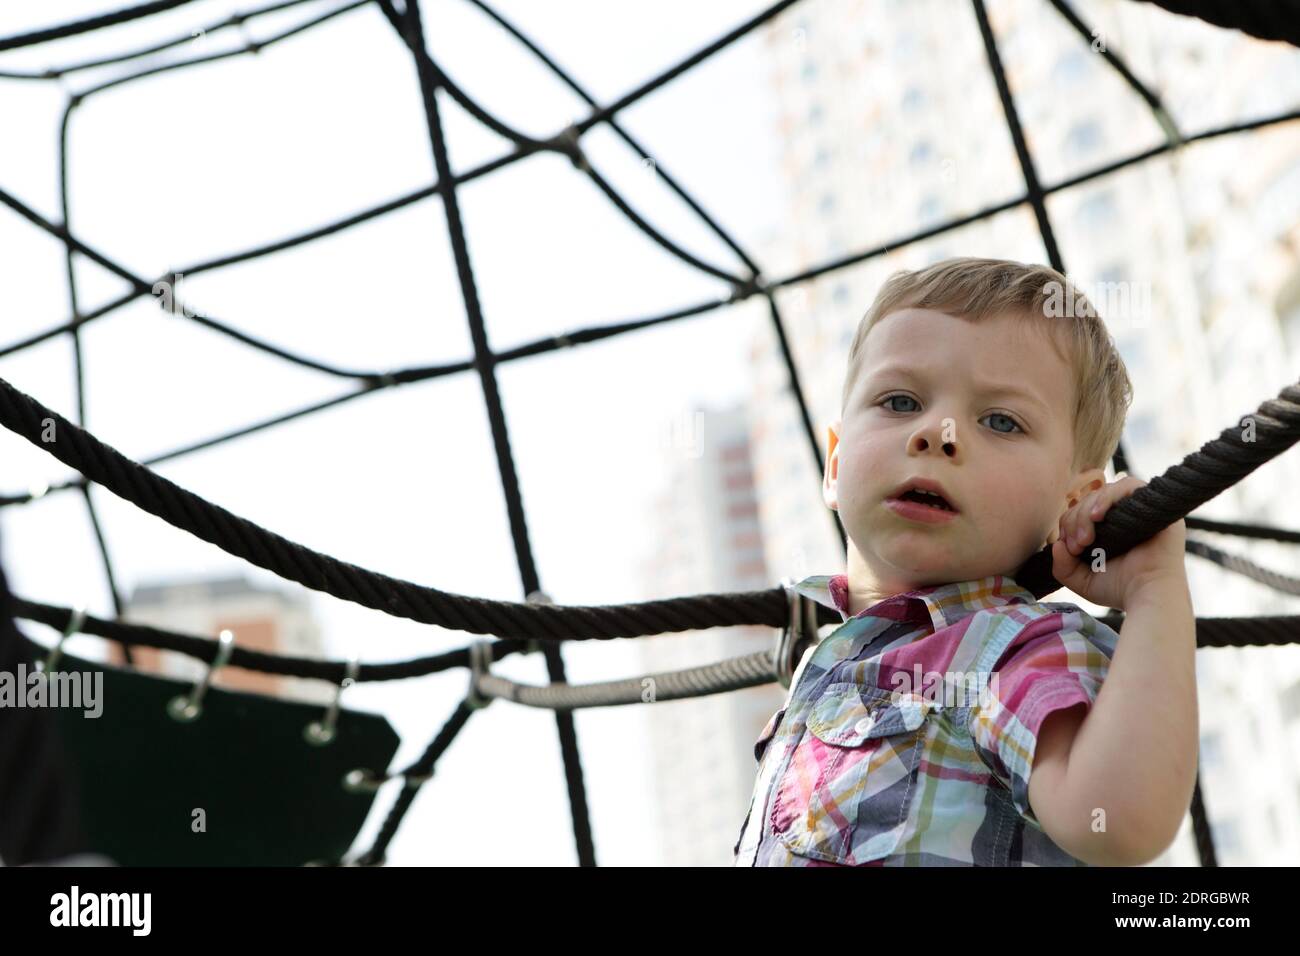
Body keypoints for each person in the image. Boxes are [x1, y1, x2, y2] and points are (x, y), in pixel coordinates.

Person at [733, 256, 1197, 866]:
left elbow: (1117, 820)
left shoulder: (1017, 648)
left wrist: (1157, 590)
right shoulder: (817, 666)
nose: (938, 432)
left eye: (1001, 421)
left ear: (1075, 503)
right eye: (899, 401)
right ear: (837, 464)